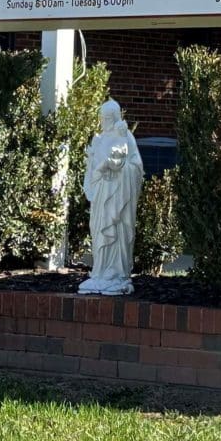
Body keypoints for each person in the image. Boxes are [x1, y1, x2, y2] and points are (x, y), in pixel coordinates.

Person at [79, 98, 143, 295]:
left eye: (108, 117)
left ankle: (117, 274)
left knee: (117, 231)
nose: (104, 121)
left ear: (115, 117)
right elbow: (92, 167)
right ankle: (99, 271)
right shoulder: (98, 139)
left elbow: (136, 167)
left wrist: (119, 168)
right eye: (102, 117)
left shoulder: (126, 137)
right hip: (101, 194)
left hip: (119, 197)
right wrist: (95, 164)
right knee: (99, 231)